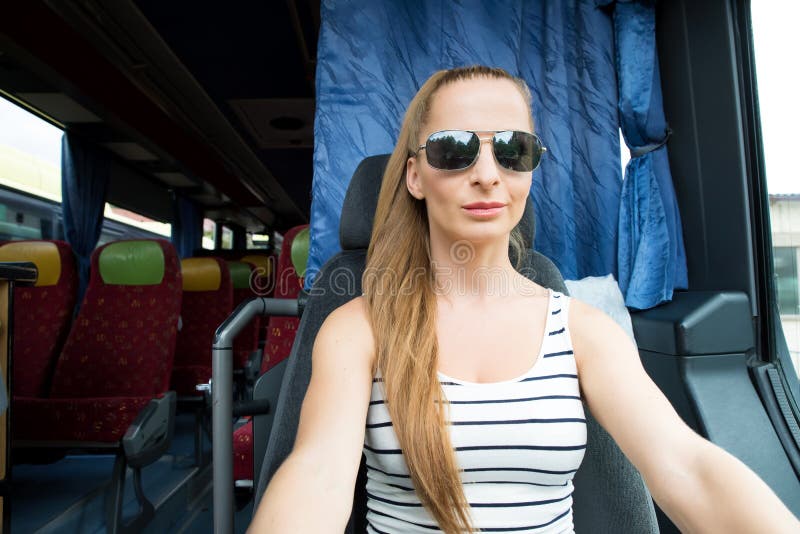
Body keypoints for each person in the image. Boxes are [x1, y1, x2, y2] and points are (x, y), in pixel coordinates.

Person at [249, 66, 799, 533]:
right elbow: (318, 477)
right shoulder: (358, 326)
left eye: (513, 151)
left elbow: (686, 466)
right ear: (415, 176)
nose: (488, 175)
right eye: (454, 150)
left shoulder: (583, 331)